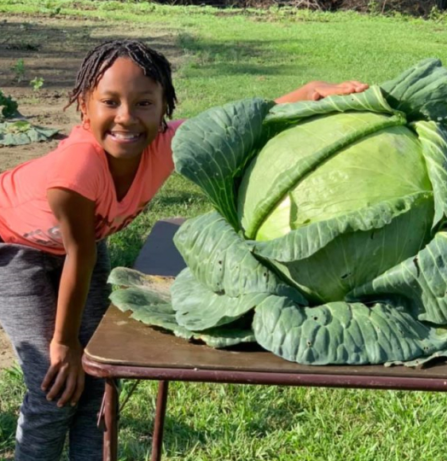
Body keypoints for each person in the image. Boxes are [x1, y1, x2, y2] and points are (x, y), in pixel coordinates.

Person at [0, 39, 367, 461]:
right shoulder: (76, 168)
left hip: (80, 247)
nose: (126, 118)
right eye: (110, 102)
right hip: (13, 251)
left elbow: (233, 124)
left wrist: (309, 93)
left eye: (144, 104)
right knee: (54, 384)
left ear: (163, 109)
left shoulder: (165, 146)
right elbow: (78, 253)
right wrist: (64, 344)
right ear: (84, 107)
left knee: (97, 377)